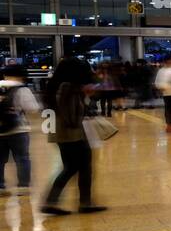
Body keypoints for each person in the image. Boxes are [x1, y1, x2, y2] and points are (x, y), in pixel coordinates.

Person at [41, 56, 106, 216]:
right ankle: (78, 203)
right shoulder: (68, 88)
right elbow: (73, 117)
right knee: (79, 167)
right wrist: (85, 98)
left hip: (61, 133)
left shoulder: (56, 85)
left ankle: (77, 202)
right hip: (72, 133)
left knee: (73, 167)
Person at [0, 64, 42, 197]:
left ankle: (1, 187)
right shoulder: (22, 89)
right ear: (20, 76)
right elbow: (32, 109)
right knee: (22, 158)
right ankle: (23, 186)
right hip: (18, 129)